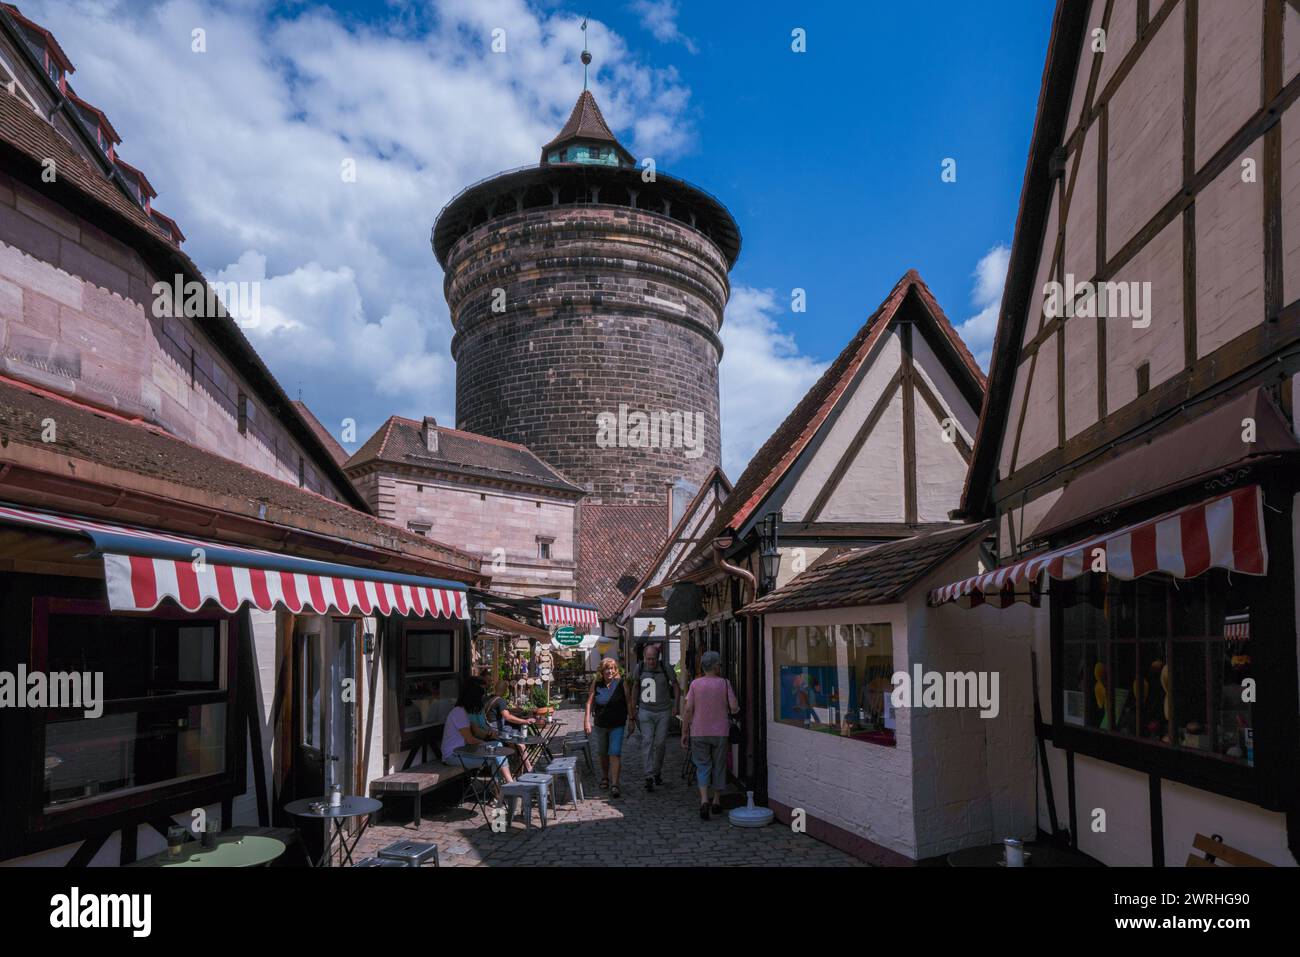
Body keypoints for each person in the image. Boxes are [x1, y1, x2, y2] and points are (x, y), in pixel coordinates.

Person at [680, 650, 738, 820]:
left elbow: (689, 709)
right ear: (715, 666)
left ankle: (704, 799)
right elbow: (734, 707)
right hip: (720, 732)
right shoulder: (724, 683)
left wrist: (684, 732)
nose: (720, 666)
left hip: (699, 732)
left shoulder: (695, 685)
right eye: (719, 664)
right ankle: (717, 801)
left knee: (702, 766)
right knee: (719, 766)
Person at [440, 680, 517, 789]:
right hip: (452, 756)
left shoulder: (463, 711)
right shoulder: (459, 712)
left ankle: (504, 789)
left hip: (463, 751)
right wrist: (485, 744)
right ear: (473, 699)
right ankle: (505, 788)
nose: (481, 701)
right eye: (480, 698)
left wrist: (487, 742)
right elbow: (470, 739)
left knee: (498, 747)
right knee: (495, 757)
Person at [627, 641, 677, 791]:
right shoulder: (640, 668)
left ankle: (657, 771)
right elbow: (635, 687)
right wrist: (633, 708)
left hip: (663, 711)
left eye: (653, 658)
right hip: (645, 711)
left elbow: (675, 685)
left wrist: (676, 705)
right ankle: (648, 775)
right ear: (644, 657)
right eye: (648, 658)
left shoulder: (665, 667)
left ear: (658, 657)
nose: (651, 662)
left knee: (660, 743)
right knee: (647, 741)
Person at [584, 656, 629, 797]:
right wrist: (586, 721)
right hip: (601, 724)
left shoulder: (621, 683)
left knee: (614, 752)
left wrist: (632, 718)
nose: (609, 671)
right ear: (602, 671)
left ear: (615, 670)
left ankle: (615, 784)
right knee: (603, 753)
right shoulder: (597, 684)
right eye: (606, 669)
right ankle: (605, 777)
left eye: (612, 668)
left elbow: (628, 701)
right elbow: (589, 703)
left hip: (618, 723)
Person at [485, 679, 537, 772]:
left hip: (490, 729)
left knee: (514, 743)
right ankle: (528, 768)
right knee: (521, 743)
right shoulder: (500, 701)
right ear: (505, 690)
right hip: (497, 731)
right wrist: (524, 721)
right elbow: (507, 717)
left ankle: (517, 766)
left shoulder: (489, 699)